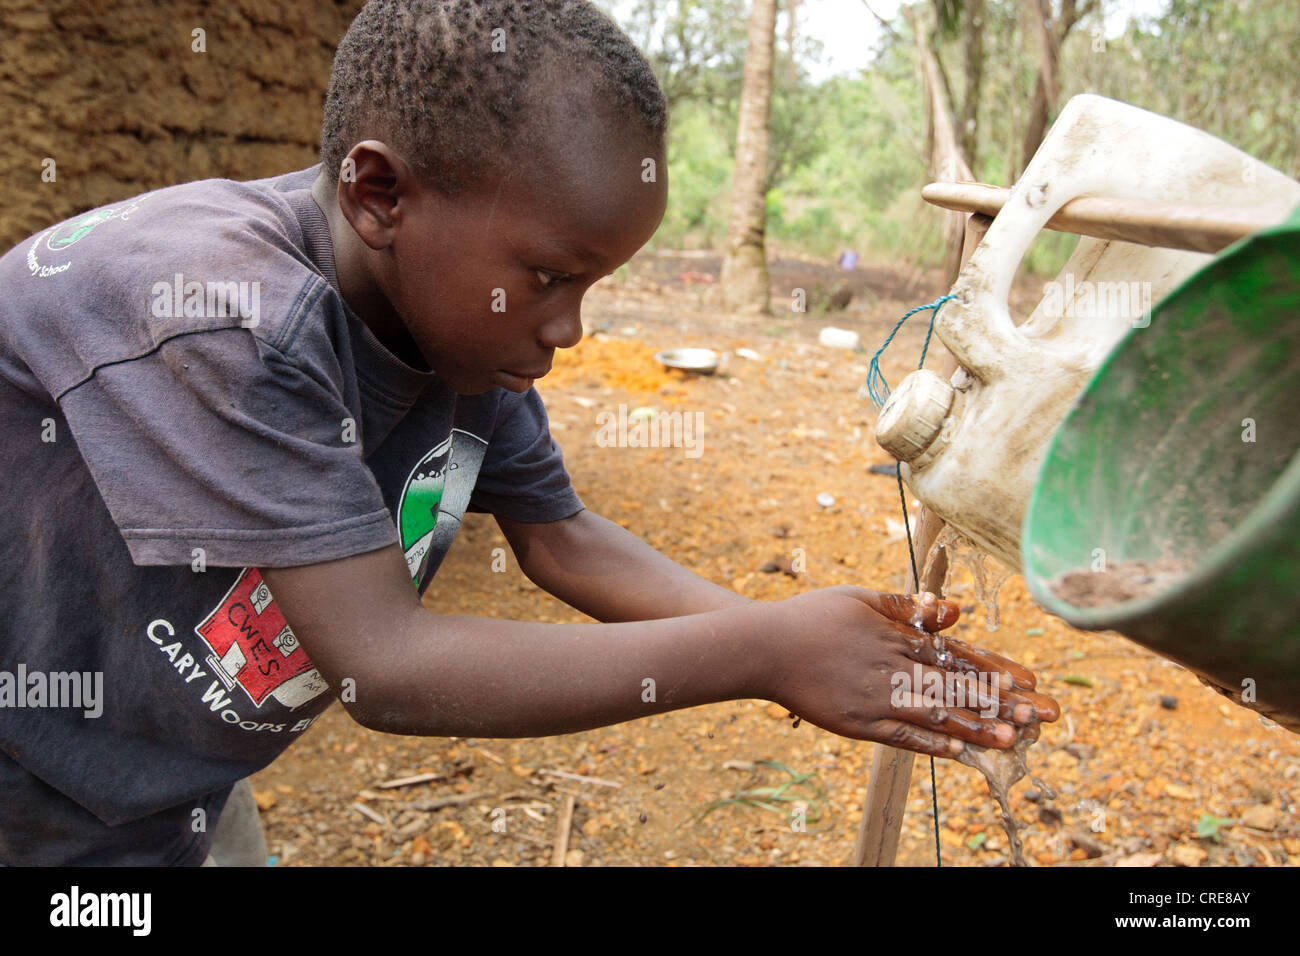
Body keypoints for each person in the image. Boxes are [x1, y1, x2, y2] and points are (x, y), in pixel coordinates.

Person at [0, 0, 1057, 866]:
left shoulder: (456, 335)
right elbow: (388, 666)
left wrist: (810, 641)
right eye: (550, 276)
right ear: (379, 194)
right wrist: (769, 651)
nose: (570, 327)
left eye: (593, 282)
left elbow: (563, 539)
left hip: (147, 790)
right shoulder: (224, 312)